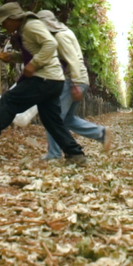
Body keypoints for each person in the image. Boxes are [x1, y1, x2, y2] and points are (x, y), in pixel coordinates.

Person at [0, 2, 87, 165]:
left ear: (13, 18)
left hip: (44, 78)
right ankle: (75, 154)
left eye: (5, 22)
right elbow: (38, 50)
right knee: (52, 120)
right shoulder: (26, 28)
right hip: (53, 80)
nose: (5, 26)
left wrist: (34, 65)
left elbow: (51, 44)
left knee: (9, 100)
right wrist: (14, 57)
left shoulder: (31, 26)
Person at [36, 10, 114, 159]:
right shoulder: (64, 32)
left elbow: (72, 60)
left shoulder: (60, 36)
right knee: (67, 119)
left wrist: (74, 84)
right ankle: (100, 133)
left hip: (72, 81)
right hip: (78, 80)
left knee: (54, 118)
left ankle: (54, 154)